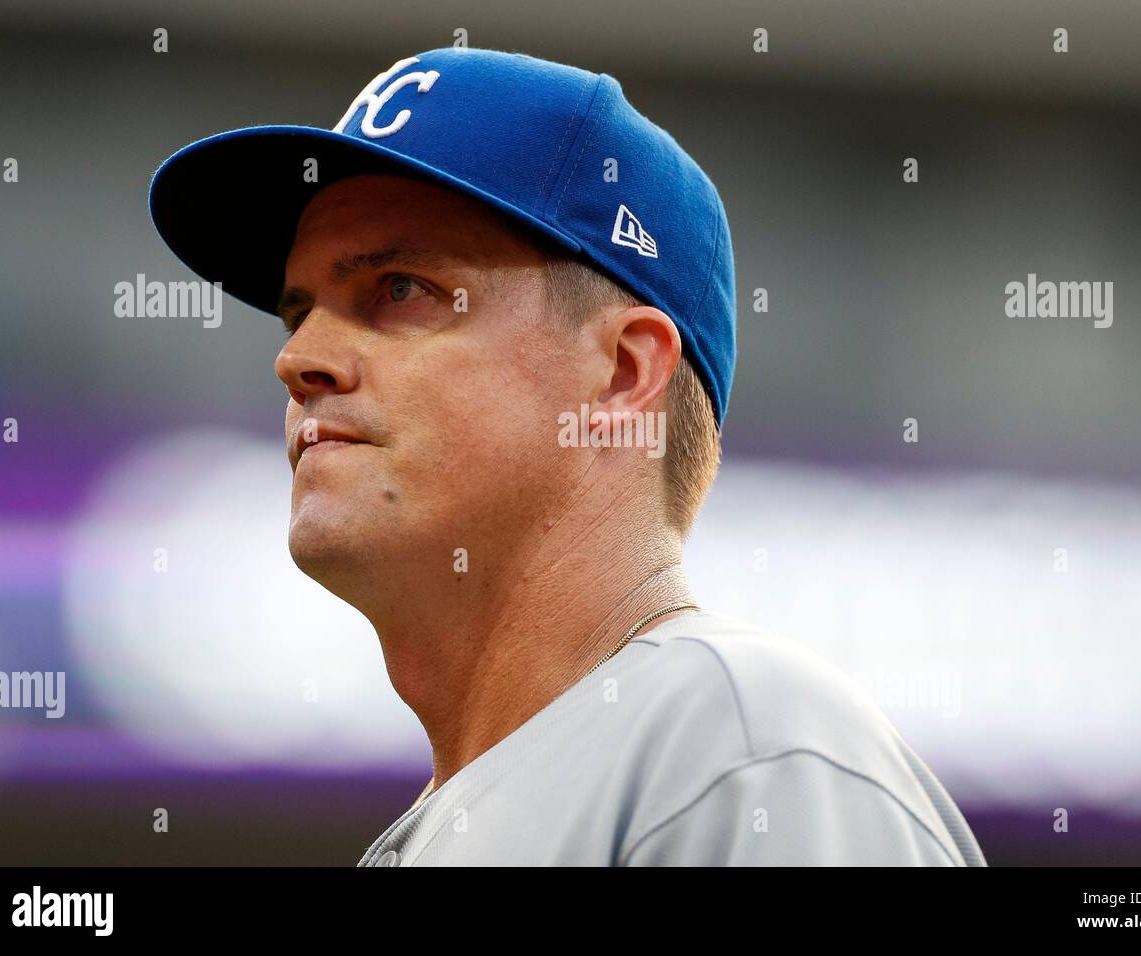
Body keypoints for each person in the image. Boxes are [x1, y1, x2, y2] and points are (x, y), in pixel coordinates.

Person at [149, 46, 986, 866]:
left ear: (622, 376)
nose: (297, 360)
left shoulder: (745, 749)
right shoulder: (519, 793)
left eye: (400, 288)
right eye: (299, 312)